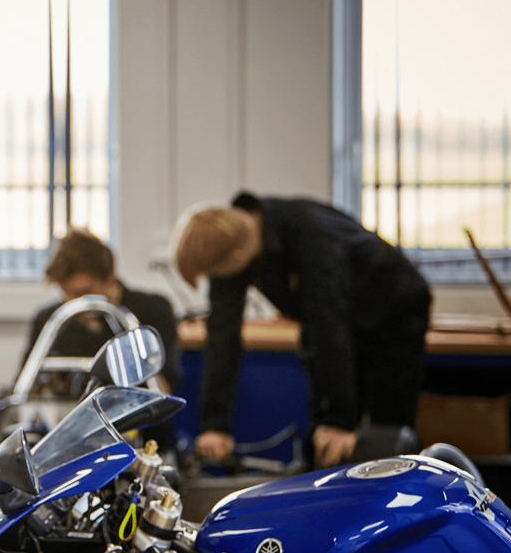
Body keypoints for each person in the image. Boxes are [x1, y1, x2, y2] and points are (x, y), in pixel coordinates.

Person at [175, 191, 430, 468]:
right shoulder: (232, 246)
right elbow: (223, 335)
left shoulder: (311, 236)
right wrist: (216, 425)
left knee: (384, 433)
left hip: (392, 316)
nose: (218, 283)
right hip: (333, 326)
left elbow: (329, 324)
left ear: (237, 257)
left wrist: (338, 420)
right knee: (323, 438)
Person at [22, 229, 182, 431]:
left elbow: (165, 392)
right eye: (66, 293)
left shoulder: (153, 311)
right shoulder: (51, 321)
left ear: (110, 278)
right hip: (68, 436)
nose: (74, 303)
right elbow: (28, 395)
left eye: (83, 292)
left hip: (142, 434)